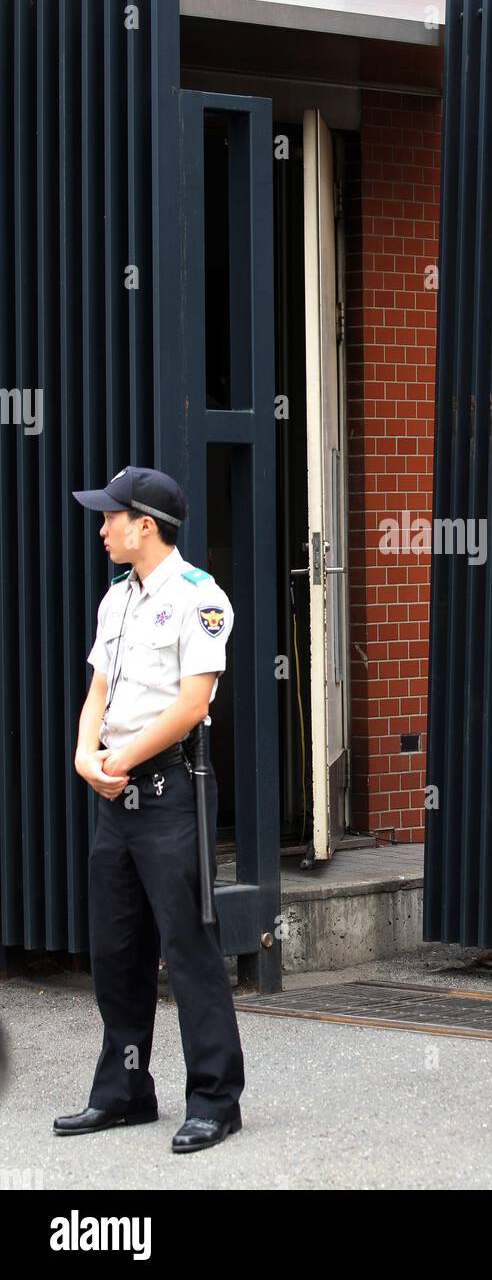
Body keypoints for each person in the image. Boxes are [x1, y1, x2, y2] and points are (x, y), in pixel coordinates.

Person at [53, 465, 245, 1153]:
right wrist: (84, 752)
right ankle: (125, 1091)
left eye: (111, 517)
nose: (101, 527)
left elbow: (193, 704)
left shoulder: (201, 598)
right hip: (116, 793)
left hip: (168, 791)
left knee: (188, 948)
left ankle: (216, 1099)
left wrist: (122, 759)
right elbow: (99, 687)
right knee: (116, 949)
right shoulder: (117, 600)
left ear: (146, 526)